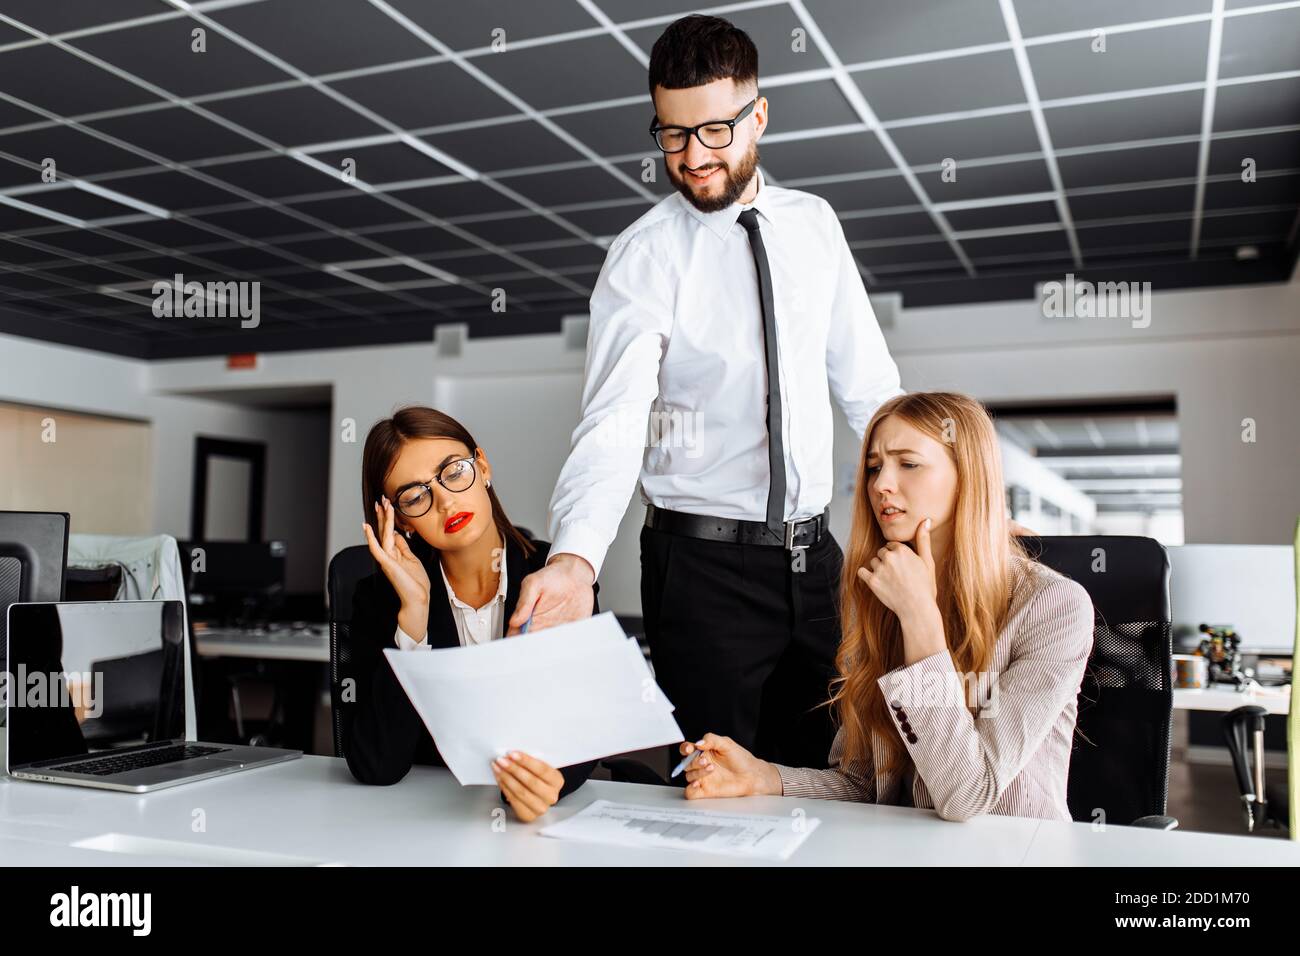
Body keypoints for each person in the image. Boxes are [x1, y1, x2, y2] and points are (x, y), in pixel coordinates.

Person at [509, 14, 904, 773]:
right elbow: (617, 421)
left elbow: (871, 390)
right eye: (672, 134)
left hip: (817, 563)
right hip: (702, 570)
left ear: (759, 114)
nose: (693, 157)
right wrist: (576, 558)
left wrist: (941, 504)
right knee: (717, 786)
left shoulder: (815, 226)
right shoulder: (643, 256)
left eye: (716, 131)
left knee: (837, 775)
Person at [677, 392, 1095, 822]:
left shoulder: (1052, 607)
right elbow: (864, 784)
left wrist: (920, 618)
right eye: (875, 467)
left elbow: (968, 796)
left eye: (908, 463)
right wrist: (764, 777)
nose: (880, 484)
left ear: (968, 475)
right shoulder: (885, 593)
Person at [341, 406, 596, 821]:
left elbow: (585, 722)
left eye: (454, 472)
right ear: (400, 519)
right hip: (424, 823)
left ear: (483, 466)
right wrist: (414, 617)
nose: (445, 501)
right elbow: (377, 765)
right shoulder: (380, 599)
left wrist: (554, 781)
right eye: (415, 495)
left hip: (532, 827)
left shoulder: (559, 576)